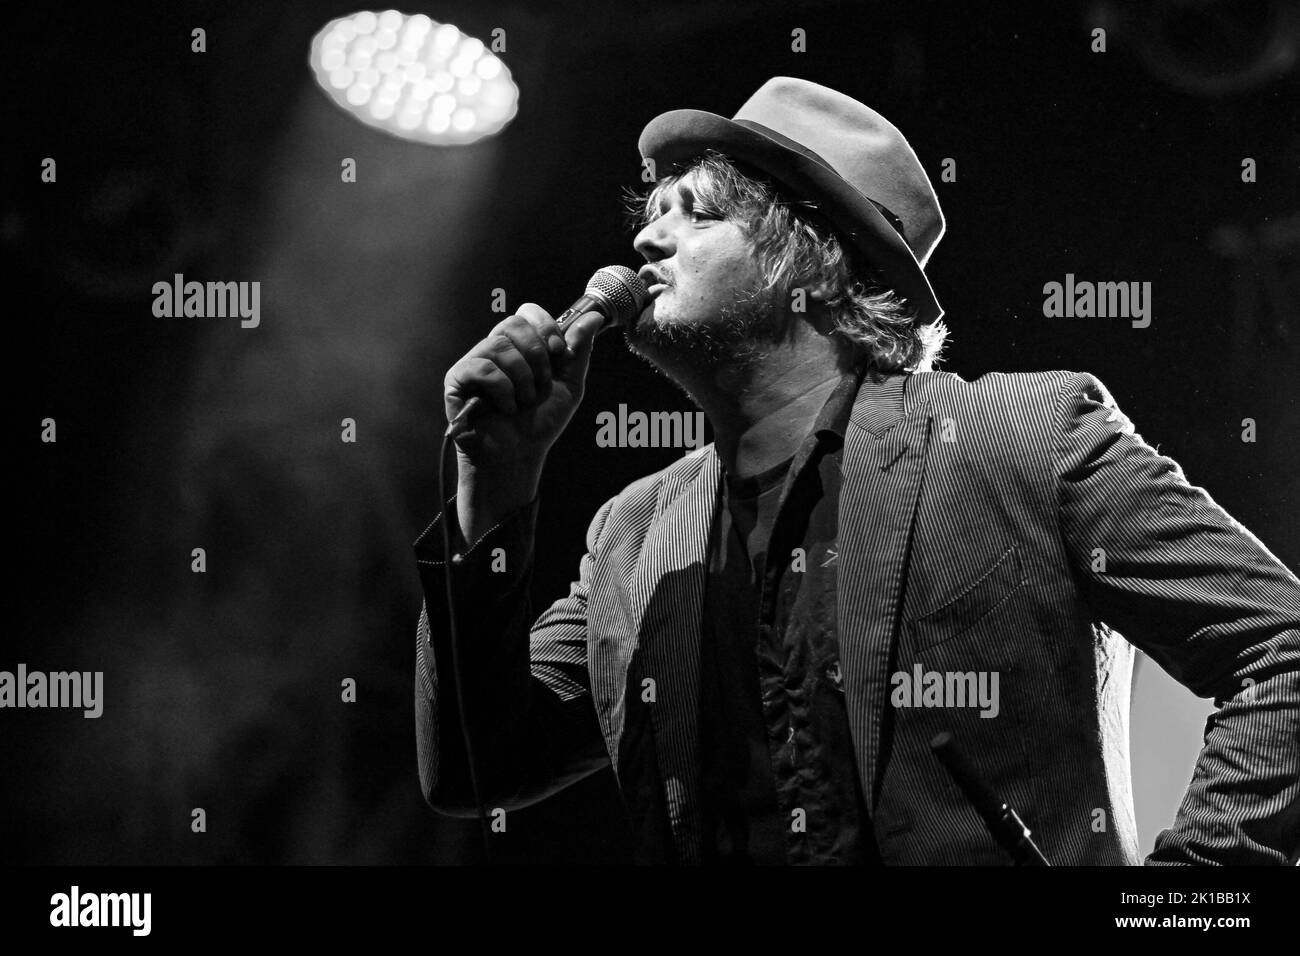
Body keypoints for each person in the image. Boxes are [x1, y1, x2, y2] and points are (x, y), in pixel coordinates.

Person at [413, 77, 1300, 865]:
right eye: (652, 212)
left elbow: (1281, 647)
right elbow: (476, 768)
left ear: (816, 258)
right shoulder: (630, 534)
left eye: (697, 212)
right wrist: (491, 490)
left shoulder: (1023, 435)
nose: (645, 241)